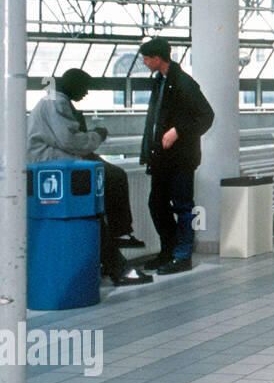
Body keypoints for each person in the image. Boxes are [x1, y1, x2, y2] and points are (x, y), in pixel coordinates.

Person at [27, 69, 152, 286]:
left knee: (102, 200)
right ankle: (120, 241)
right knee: (100, 200)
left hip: (54, 166)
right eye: (84, 87)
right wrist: (97, 135)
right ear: (72, 84)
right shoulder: (56, 102)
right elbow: (70, 141)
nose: (86, 93)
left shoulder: (55, 99)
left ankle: (118, 248)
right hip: (55, 167)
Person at [138, 37, 214, 276]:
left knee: (182, 205)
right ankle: (168, 250)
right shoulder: (160, 82)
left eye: (146, 59)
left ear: (157, 58)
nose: (144, 63)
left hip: (180, 158)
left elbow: (205, 115)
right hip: (161, 157)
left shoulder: (183, 82)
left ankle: (182, 255)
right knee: (157, 204)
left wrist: (178, 130)